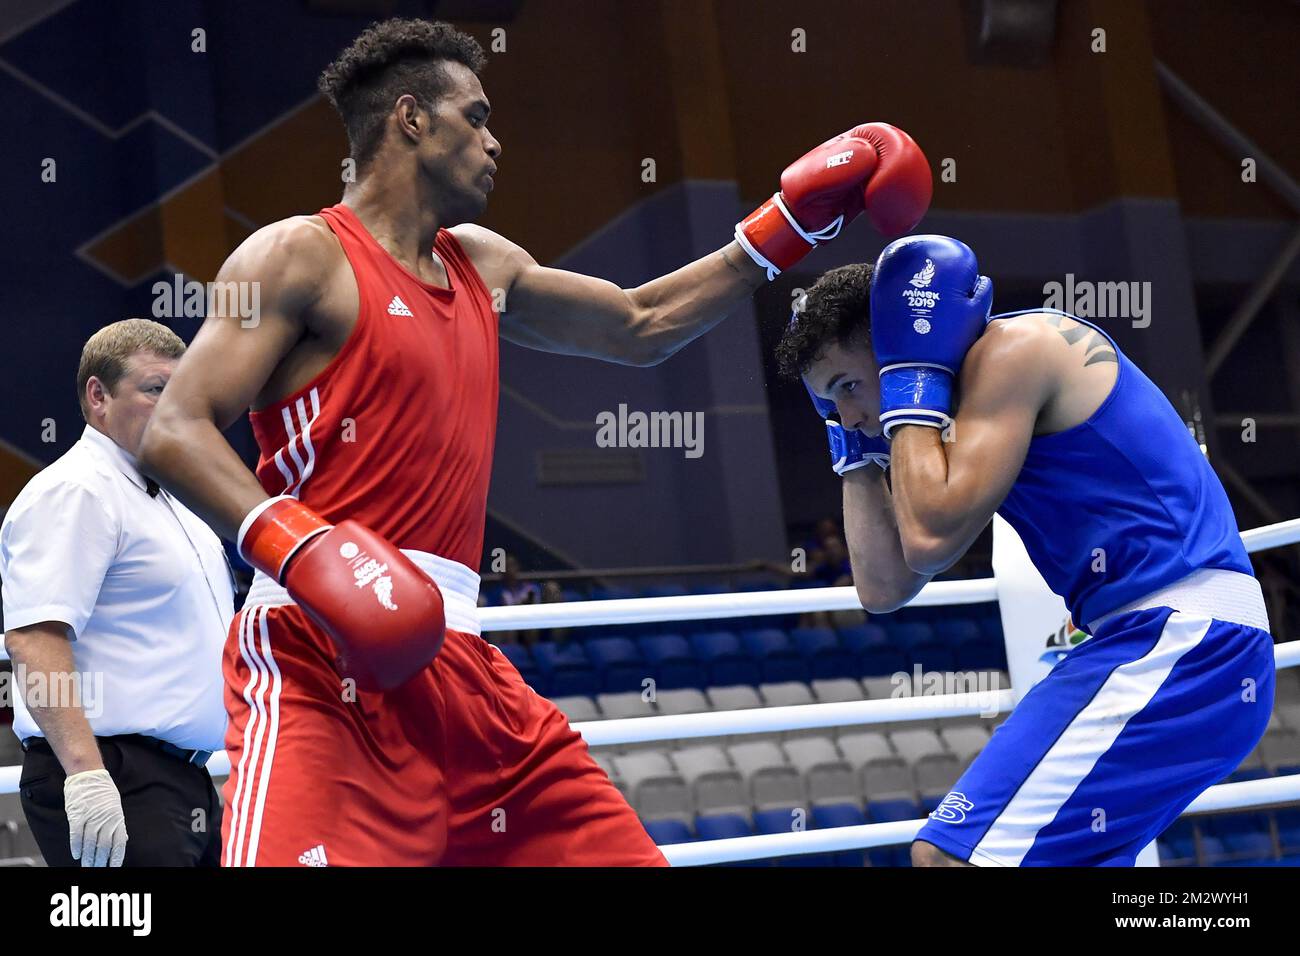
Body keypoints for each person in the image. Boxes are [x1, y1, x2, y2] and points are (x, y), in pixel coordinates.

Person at [137, 17, 932, 866]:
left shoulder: (480, 263)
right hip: (316, 661)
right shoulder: (300, 255)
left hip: (464, 667)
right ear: (410, 119)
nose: (495, 140)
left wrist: (785, 229)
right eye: (474, 117)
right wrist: (307, 550)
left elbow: (640, 324)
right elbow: (175, 427)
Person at [777, 235, 1274, 866]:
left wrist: (905, 391)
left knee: (950, 857)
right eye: (828, 400)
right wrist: (853, 456)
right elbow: (883, 588)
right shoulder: (956, 411)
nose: (845, 413)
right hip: (1172, 650)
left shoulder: (1017, 350)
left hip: (1181, 642)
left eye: (847, 384)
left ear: (896, 341)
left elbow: (928, 541)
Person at [0, 319, 231, 867]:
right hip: (114, 776)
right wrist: (86, 776)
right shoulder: (75, 490)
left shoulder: (176, 503)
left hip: (183, 779)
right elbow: (34, 638)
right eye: (155, 390)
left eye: (180, 393)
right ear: (97, 395)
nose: (171, 408)